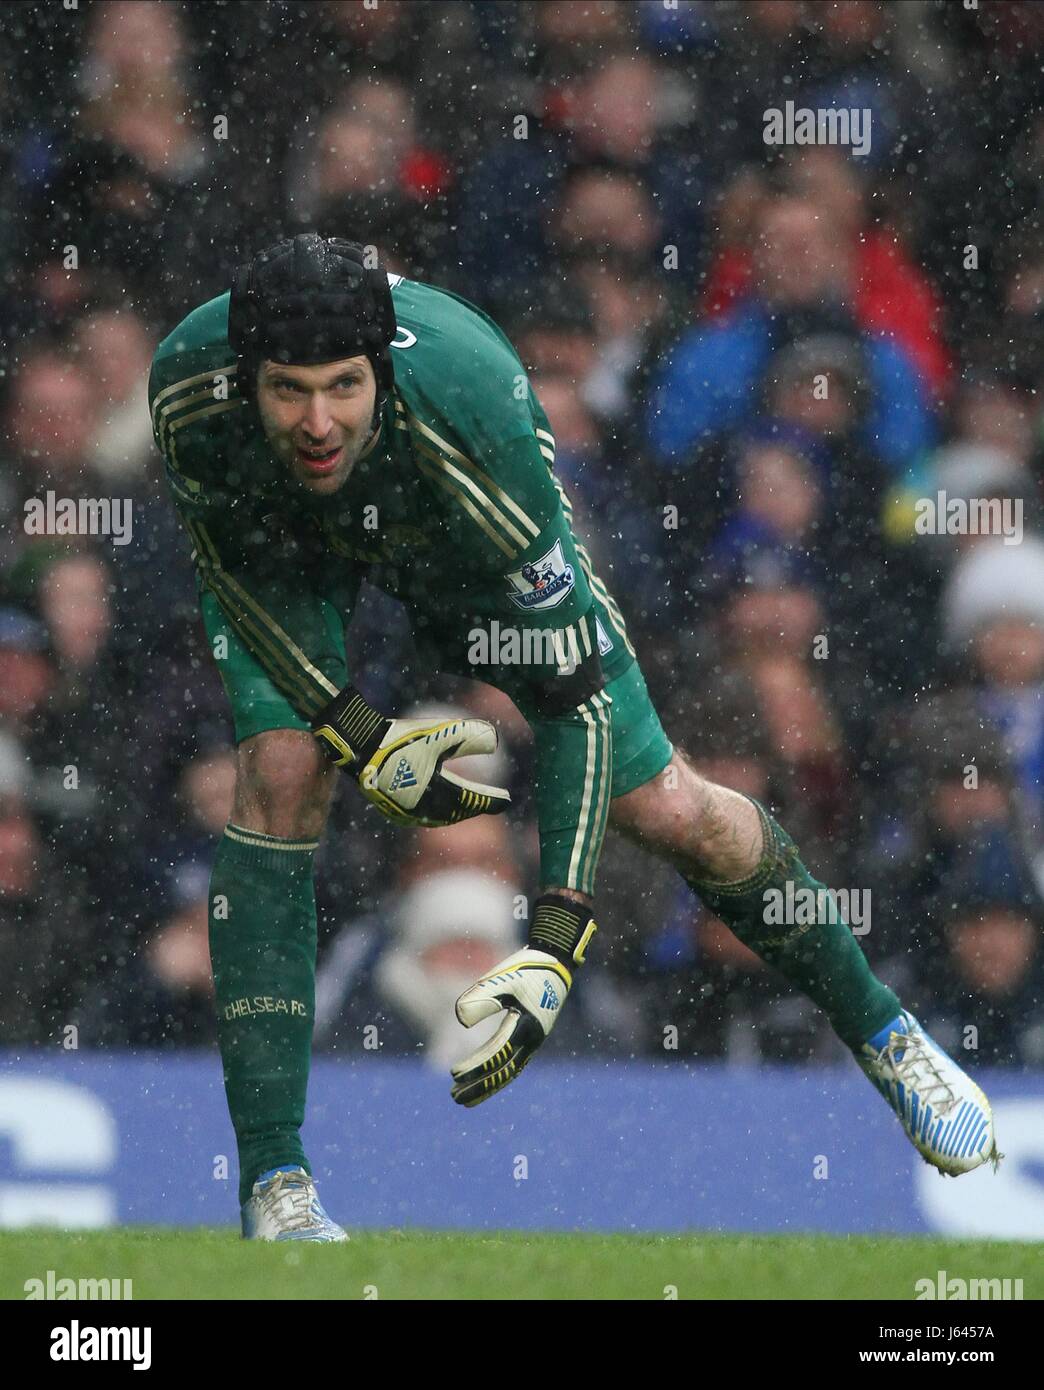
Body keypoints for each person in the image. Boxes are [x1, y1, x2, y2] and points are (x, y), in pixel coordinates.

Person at [148, 234, 997, 1242]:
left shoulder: (483, 413)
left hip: (454, 537)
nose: (319, 422)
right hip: (288, 541)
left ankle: (887, 1035)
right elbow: (238, 583)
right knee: (283, 770)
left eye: (342, 386)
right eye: (288, 391)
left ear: (381, 368)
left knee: (675, 808)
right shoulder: (188, 389)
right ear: (246, 379)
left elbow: (574, 704)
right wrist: (359, 737)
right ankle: (277, 1187)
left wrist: (553, 940)